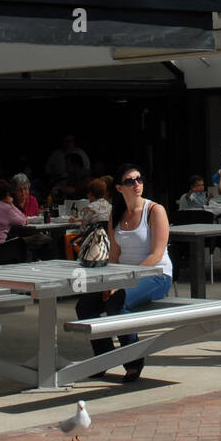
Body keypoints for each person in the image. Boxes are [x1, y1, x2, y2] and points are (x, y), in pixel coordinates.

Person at [75, 164, 173, 382]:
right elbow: (113, 257)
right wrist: (108, 282)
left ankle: (133, 361)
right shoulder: (116, 214)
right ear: (119, 188)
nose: (136, 184)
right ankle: (104, 358)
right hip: (124, 276)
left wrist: (126, 282)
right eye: (130, 181)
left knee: (116, 305)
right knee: (85, 305)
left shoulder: (155, 210)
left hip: (156, 275)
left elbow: (157, 254)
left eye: (139, 179)